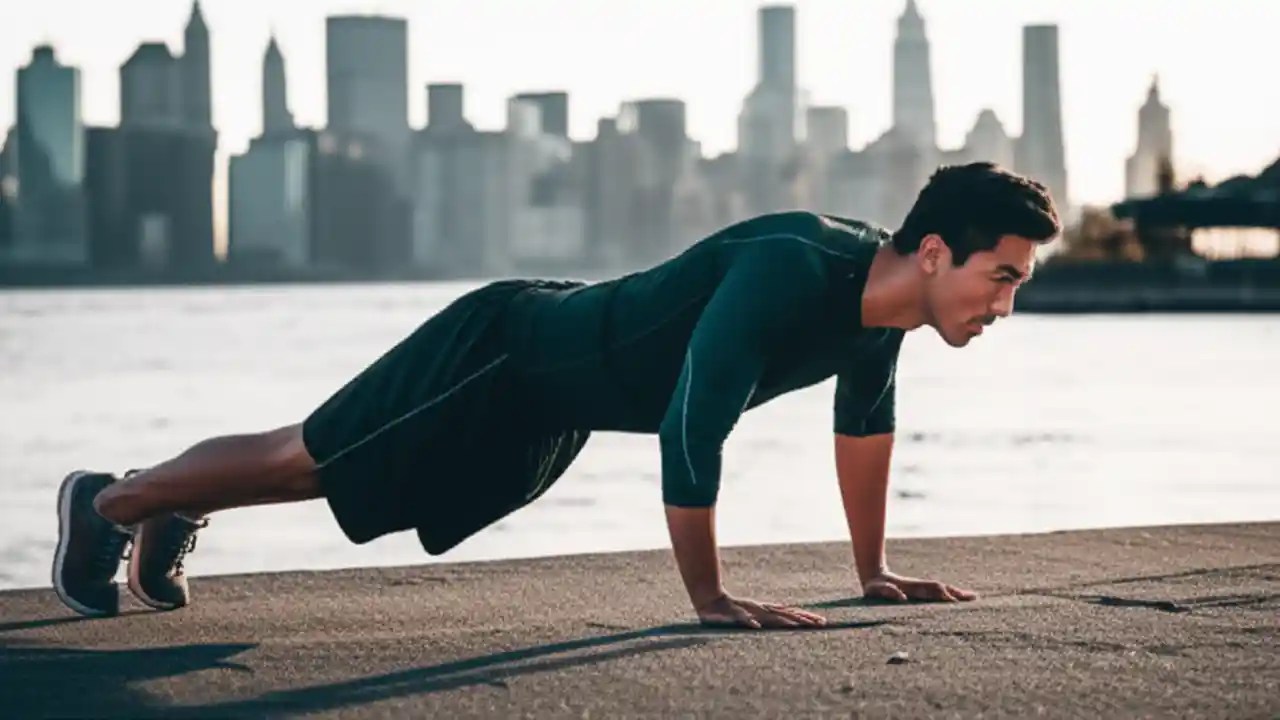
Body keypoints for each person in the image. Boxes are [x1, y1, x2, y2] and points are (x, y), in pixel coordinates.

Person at [52, 161, 1061, 628]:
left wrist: (873, 568)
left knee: (354, 484)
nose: (1003, 304)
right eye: (1000, 277)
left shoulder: (879, 318)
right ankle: (111, 499)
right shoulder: (792, 265)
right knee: (308, 457)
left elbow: (864, 431)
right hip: (506, 348)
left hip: (555, 401)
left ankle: (168, 503)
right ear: (933, 252)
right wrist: (706, 598)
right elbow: (691, 426)